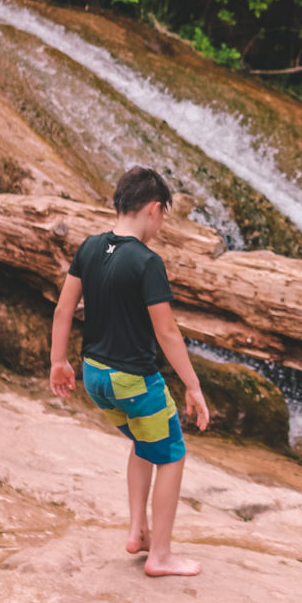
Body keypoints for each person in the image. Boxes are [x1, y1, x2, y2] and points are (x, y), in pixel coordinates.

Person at [48, 166, 211, 577]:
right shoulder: (147, 262)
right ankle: (161, 555)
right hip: (133, 381)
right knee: (171, 454)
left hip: (94, 376)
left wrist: (58, 362)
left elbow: (63, 309)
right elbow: (167, 332)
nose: (161, 225)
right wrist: (193, 386)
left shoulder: (89, 247)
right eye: (163, 216)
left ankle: (138, 531)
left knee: (142, 440)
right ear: (155, 209)